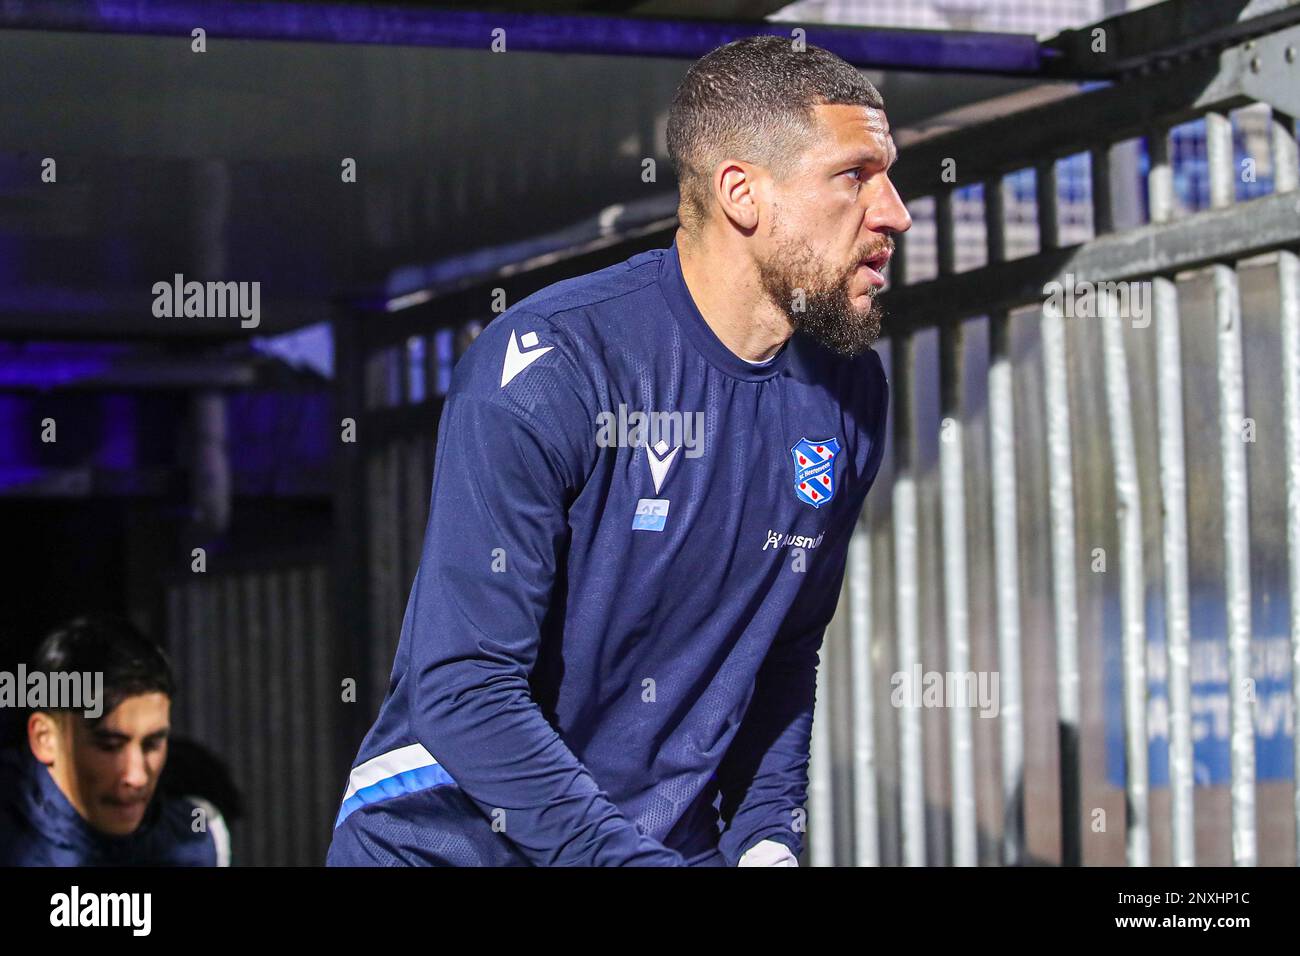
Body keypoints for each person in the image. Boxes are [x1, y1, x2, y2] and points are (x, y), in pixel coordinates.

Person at [328, 34, 909, 867]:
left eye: (889, 175)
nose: (895, 211)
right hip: (444, 847)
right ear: (742, 194)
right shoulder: (550, 364)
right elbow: (462, 687)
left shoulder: (850, 394)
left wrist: (767, 839)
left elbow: (783, 651)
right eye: (855, 175)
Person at [0, 615, 230, 866]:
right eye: (109, 746)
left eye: (152, 744)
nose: (137, 776)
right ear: (45, 738)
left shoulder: (199, 841)